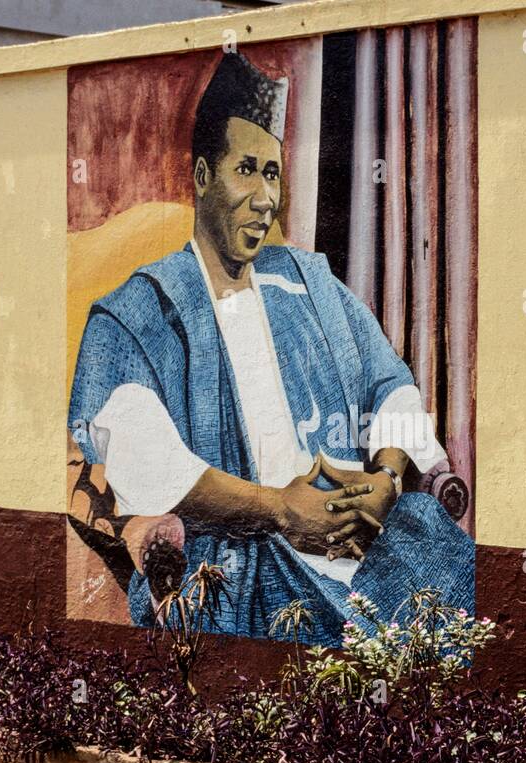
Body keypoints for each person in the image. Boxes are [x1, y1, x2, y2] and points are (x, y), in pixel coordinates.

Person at [68, 51, 473, 643]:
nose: (265, 198)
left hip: (362, 536)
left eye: (274, 174)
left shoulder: (310, 284)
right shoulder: (138, 312)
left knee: (455, 603)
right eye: (247, 170)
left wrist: (384, 480)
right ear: (204, 177)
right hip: (252, 550)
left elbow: (390, 384)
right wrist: (280, 509)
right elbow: (141, 456)